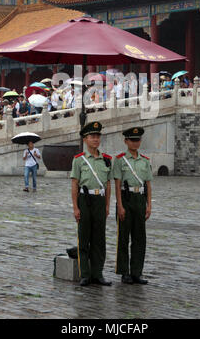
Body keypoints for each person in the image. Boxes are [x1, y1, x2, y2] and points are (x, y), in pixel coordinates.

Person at [70, 121, 112, 287]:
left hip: (99, 200)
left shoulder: (106, 160)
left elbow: (108, 185)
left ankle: (98, 273)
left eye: (97, 136)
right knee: (84, 237)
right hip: (84, 200)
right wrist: (75, 207)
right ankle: (85, 274)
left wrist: (108, 205)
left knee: (99, 239)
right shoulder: (79, 160)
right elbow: (74, 184)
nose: (95, 139)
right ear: (85, 139)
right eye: (92, 136)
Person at [113, 127, 152, 285]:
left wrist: (149, 205)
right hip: (126, 198)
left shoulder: (145, 160)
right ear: (126, 141)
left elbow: (148, 184)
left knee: (139, 238)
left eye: (138, 140)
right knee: (123, 237)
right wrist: (120, 206)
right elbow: (117, 185)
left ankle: (137, 272)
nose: (136, 143)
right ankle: (124, 272)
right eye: (132, 140)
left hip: (139, 199)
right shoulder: (120, 160)